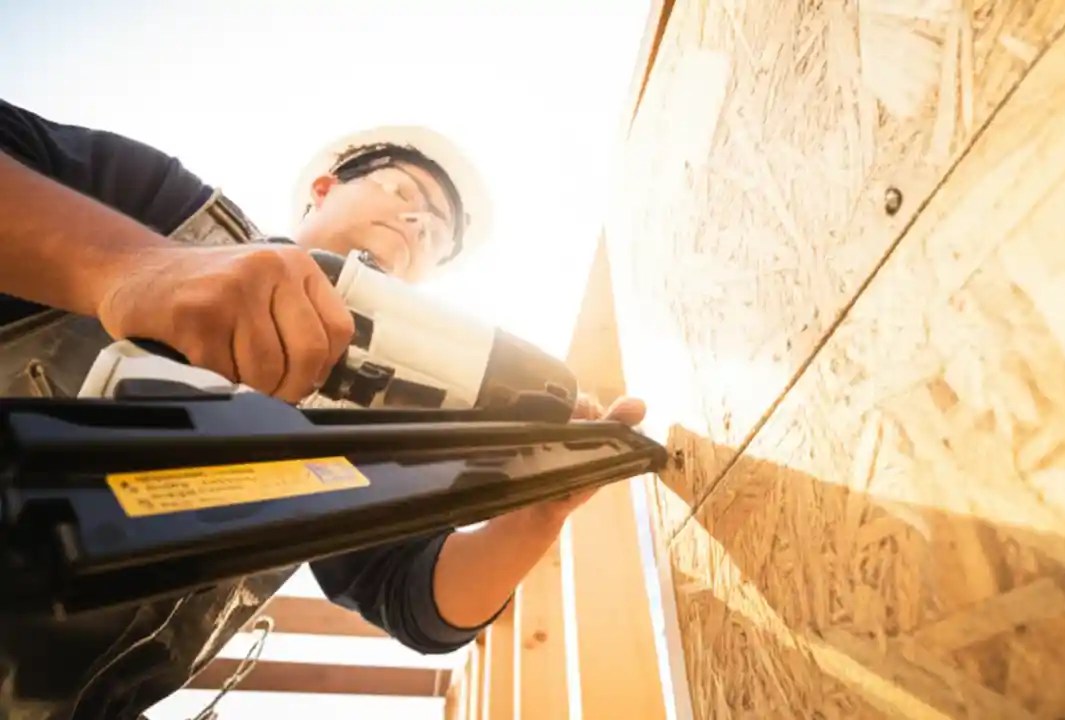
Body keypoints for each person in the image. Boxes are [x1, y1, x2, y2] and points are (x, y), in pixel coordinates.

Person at [0, 97, 645, 720]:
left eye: (437, 233)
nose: (418, 222)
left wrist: (536, 514)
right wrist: (128, 267)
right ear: (324, 188)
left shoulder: (384, 423)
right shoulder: (168, 210)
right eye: (403, 191)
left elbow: (414, 598)